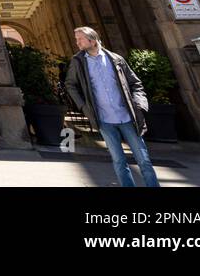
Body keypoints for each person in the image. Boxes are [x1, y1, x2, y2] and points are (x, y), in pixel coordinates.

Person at [63, 26, 159, 187]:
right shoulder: (78, 61)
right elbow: (70, 85)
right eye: (76, 39)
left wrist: (139, 104)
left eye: (80, 39)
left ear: (92, 41)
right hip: (104, 119)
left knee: (143, 160)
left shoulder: (116, 59)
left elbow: (135, 83)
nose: (77, 42)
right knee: (118, 161)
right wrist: (83, 107)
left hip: (127, 117)